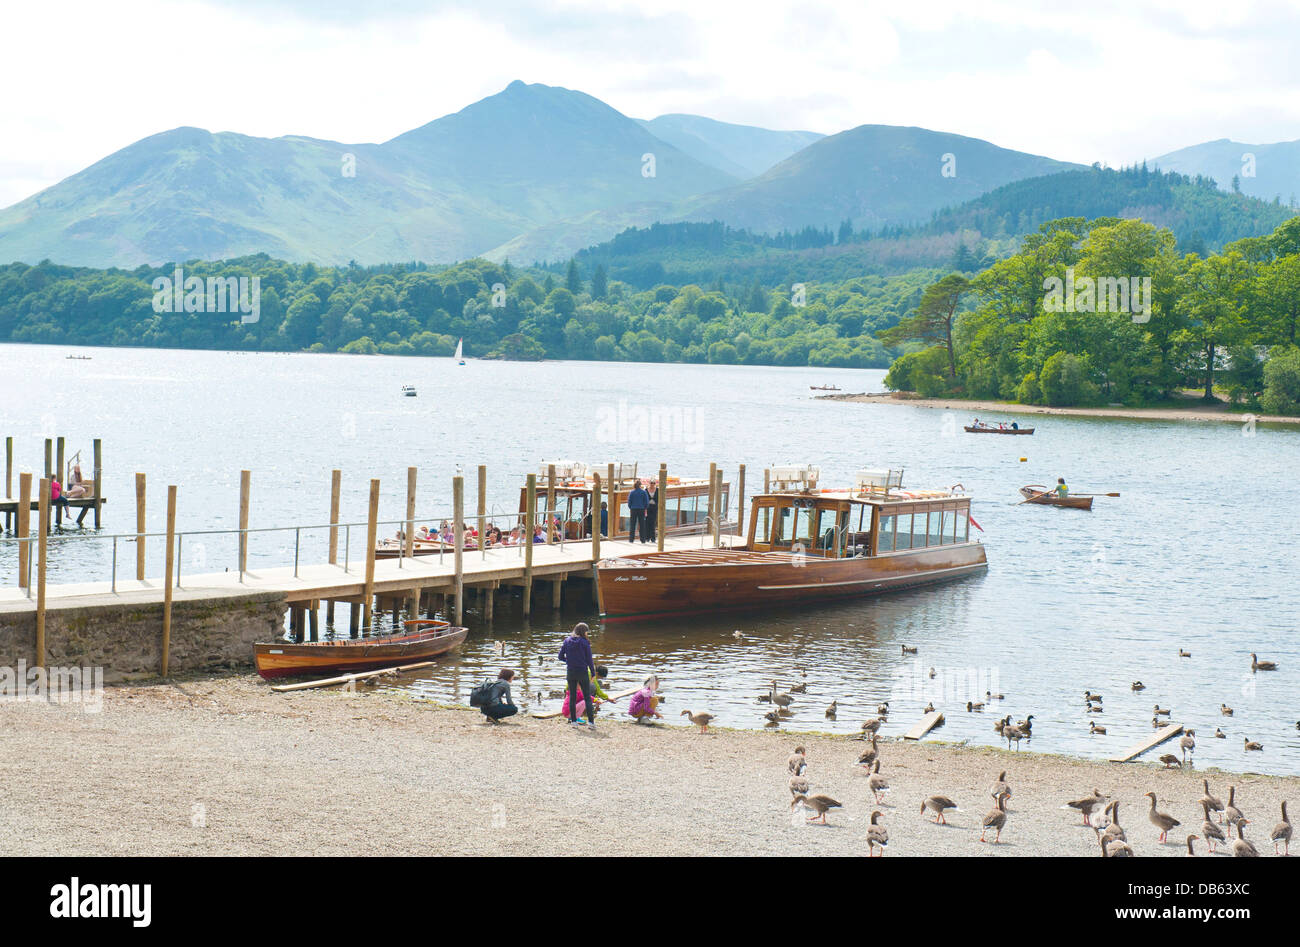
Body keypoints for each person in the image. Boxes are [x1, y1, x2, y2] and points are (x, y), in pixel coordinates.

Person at [558, 622, 598, 728]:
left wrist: (569, 661)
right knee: (587, 697)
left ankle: (574, 722)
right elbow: (589, 659)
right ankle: (591, 723)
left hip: (571, 672)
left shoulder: (567, 641)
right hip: (582, 672)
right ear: (584, 632)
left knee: (572, 697)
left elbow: (560, 656)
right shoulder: (584, 642)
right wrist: (593, 673)